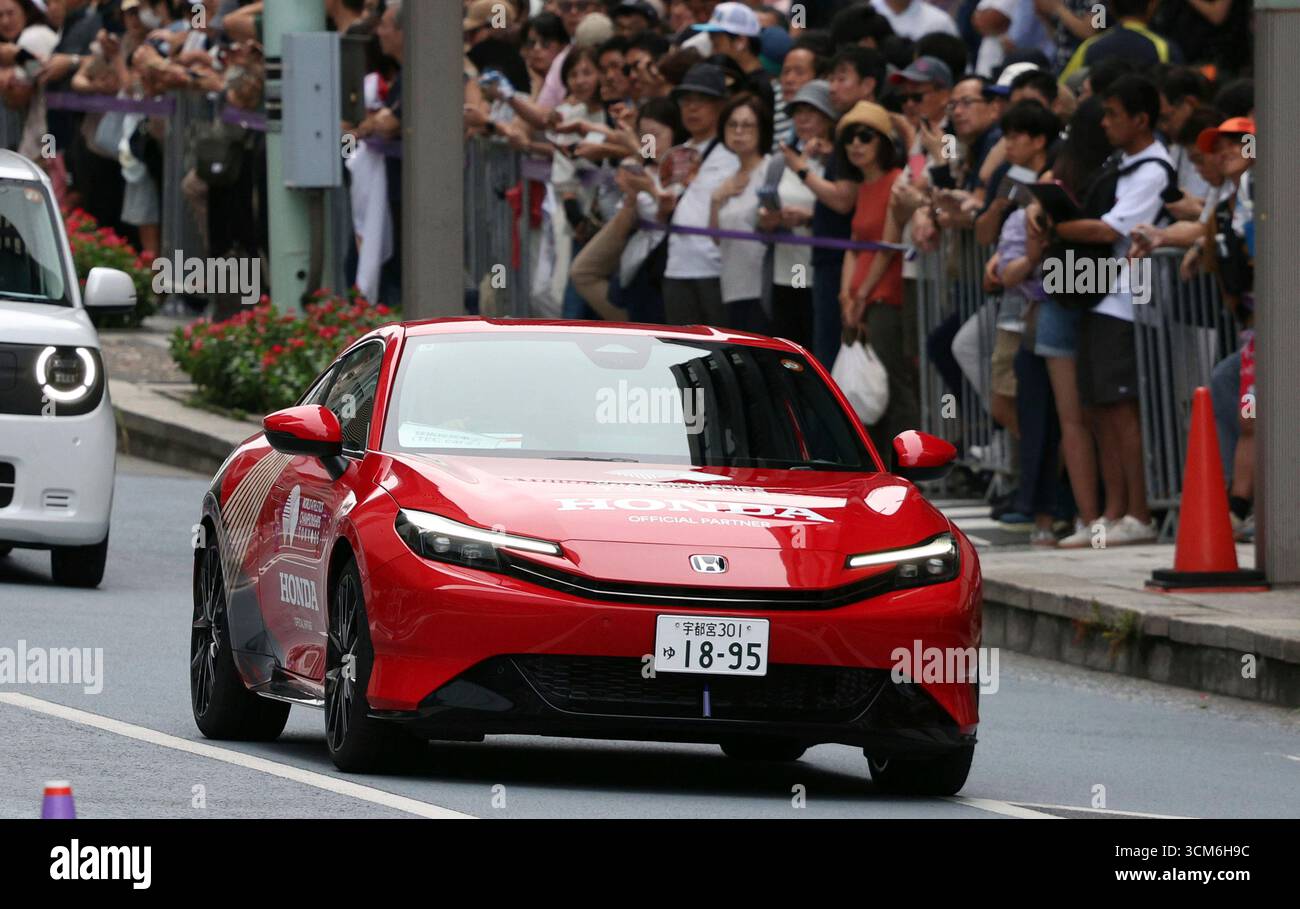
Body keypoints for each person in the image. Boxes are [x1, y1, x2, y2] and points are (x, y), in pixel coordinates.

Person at [1050, 74, 1174, 547]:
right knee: (1099, 409)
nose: (1104, 123)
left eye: (1114, 115)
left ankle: (1138, 514)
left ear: (1141, 119)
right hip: (1102, 295)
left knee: (1121, 409)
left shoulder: (1154, 169)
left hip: (1129, 301)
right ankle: (1112, 510)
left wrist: (1060, 224)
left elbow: (1109, 231)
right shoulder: (1121, 163)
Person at [837, 100, 916, 452]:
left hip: (885, 297)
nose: (856, 144)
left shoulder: (896, 181)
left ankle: (905, 462)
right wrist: (846, 296)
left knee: (891, 382)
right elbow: (854, 246)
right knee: (868, 386)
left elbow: (887, 245)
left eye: (865, 136)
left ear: (883, 142)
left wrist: (862, 297)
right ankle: (877, 462)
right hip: (861, 300)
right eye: (850, 137)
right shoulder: (864, 186)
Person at [758, 78, 836, 347]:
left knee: (819, 349)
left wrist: (810, 217)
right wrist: (769, 220)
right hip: (783, 270)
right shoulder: (781, 161)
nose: (802, 120)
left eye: (810, 113)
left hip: (822, 272)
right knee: (787, 352)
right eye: (797, 114)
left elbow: (843, 210)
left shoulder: (837, 160)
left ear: (828, 115)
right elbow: (763, 217)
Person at [661, 62, 739, 325]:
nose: (691, 108)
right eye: (686, 101)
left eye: (701, 101)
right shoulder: (676, 154)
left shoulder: (734, 155)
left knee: (720, 352)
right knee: (679, 353)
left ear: (719, 106)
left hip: (714, 268)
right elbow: (665, 212)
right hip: (677, 265)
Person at [709, 92, 772, 331]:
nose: (738, 131)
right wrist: (715, 201)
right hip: (733, 287)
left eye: (747, 125)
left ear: (762, 129)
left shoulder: (771, 169)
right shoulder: (727, 179)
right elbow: (716, 238)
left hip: (764, 288)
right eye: (732, 124)